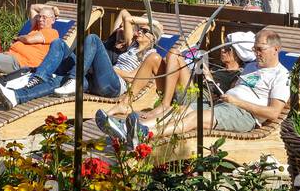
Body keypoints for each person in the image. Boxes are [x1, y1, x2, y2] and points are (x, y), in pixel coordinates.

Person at [101, 27, 289, 147]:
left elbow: (273, 113)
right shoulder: (251, 67)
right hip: (222, 104)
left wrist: (237, 101)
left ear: (275, 49)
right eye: (255, 49)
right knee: (181, 110)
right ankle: (131, 129)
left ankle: (144, 134)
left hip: (243, 114)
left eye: (260, 49)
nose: (256, 53)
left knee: (195, 118)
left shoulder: (281, 75)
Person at [0, 20, 166, 109]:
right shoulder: (130, 45)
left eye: (145, 31)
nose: (139, 33)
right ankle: (18, 96)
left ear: (154, 38)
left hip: (114, 86)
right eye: (139, 30)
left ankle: (74, 79)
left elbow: (137, 77)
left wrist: (112, 69)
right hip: (93, 78)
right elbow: (126, 19)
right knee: (58, 45)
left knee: (93, 39)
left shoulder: (152, 55)